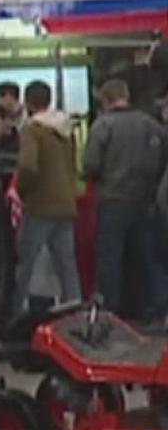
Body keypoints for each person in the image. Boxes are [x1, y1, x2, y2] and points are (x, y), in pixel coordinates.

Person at [83, 79, 168, 319]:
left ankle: (111, 312)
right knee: (150, 258)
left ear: (105, 100)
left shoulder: (103, 126)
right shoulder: (151, 125)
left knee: (110, 259)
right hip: (145, 201)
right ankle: (160, 307)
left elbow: (90, 164)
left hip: (113, 201)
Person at [15, 81, 82, 311]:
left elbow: (28, 166)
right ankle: (75, 311)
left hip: (40, 204)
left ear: (27, 102)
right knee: (67, 266)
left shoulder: (32, 129)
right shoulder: (65, 128)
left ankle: (16, 312)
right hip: (66, 203)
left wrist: (22, 190)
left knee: (25, 263)